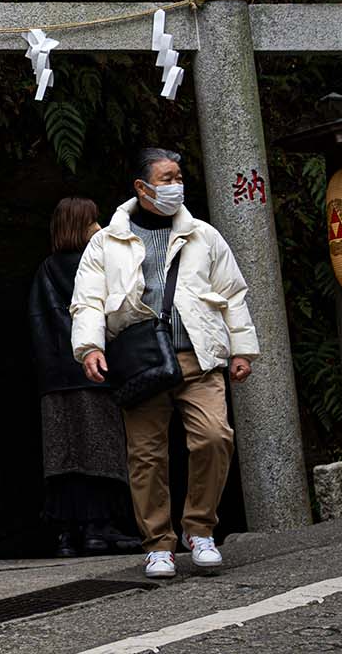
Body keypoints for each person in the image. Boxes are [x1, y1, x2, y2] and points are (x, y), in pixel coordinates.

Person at [72, 148, 258, 580]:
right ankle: (158, 543)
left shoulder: (204, 236)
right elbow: (87, 301)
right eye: (167, 176)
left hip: (200, 356)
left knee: (214, 436)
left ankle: (200, 530)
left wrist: (243, 349)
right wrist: (90, 348)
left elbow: (232, 293)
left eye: (179, 175)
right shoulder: (106, 241)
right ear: (142, 186)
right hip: (141, 363)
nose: (177, 184)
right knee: (146, 456)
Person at [26, 196, 139, 557]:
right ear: (81, 225)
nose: (99, 227)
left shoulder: (44, 270)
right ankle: (99, 528)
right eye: (93, 221)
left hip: (54, 381)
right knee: (101, 453)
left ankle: (67, 534)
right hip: (94, 374)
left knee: (64, 456)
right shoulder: (96, 265)